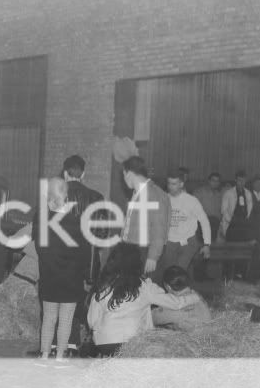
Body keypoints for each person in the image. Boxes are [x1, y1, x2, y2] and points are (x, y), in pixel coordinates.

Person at [86, 243, 203, 357]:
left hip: (105, 343)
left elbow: (92, 321)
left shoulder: (103, 286)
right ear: (137, 263)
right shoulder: (144, 286)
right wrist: (195, 296)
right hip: (134, 343)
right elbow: (175, 303)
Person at [32, 178, 92, 362]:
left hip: (49, 276)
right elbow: (85, 254)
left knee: (48, 318)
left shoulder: (40, 219)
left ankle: (44, 354)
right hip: (71, 279)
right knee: (66, 320)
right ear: (67, 196)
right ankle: (60, 356)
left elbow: (38, 246)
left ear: (49, 197)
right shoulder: (78, 222)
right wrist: (83, 274)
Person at [61, 154, 109, 353]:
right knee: (85, 301)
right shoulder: (96, 197)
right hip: (87, 260)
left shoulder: (56, 196)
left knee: (61, 301)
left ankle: (63, 341)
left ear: (65, 173)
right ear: (83, 174)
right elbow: (103, 233)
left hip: (60, 259)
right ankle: (82, 340)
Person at [119, 156, 170, 278]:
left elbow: (159, 228)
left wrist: (153, 256)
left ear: (128, 173)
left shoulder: (155, 194)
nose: (124, 179)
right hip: (131, 250)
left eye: (124, 175)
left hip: (144, 251)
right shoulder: (137, 193)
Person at [155, 173, 212, 281]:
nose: (170, 186)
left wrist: (207, 244)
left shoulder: (191, 200)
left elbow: (204, 221)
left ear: (181, 184)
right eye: (169, 183)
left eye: (174, 184)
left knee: (179, 272)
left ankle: (181, 287)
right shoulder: (163, 199)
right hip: (170, 242)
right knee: (169, 273)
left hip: (188, 242)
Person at [219, 169, 255, 279]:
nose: (241, 182)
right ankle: (226, 275)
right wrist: (231, 221)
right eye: (239, 180)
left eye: (243, 180)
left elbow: (250, 209)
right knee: (230, 250)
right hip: (232, 226)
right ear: (235, 180)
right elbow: (223, 210)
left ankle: (240, 274)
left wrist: (246, 221)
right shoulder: (228, 193)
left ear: (245, 181)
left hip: (244, 226)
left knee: (242, 251)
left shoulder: (248, 193)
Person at [152, 266, 212, 331]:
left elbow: (153, 318)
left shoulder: (175, 305)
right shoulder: (196, 295)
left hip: (193, 334)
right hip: (208, 329)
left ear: (168, 287)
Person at [192, 171, 222, 280]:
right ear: (209, 181)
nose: (215, 183)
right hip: (202, 224)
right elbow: (193, 208)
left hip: (214, 225)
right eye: (213, 180)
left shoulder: (219, 194)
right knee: (200, 248)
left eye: (217, 181)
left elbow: (219, 212)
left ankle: (203, 273)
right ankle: (197, 274)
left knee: (208, 249)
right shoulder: (199, 192)